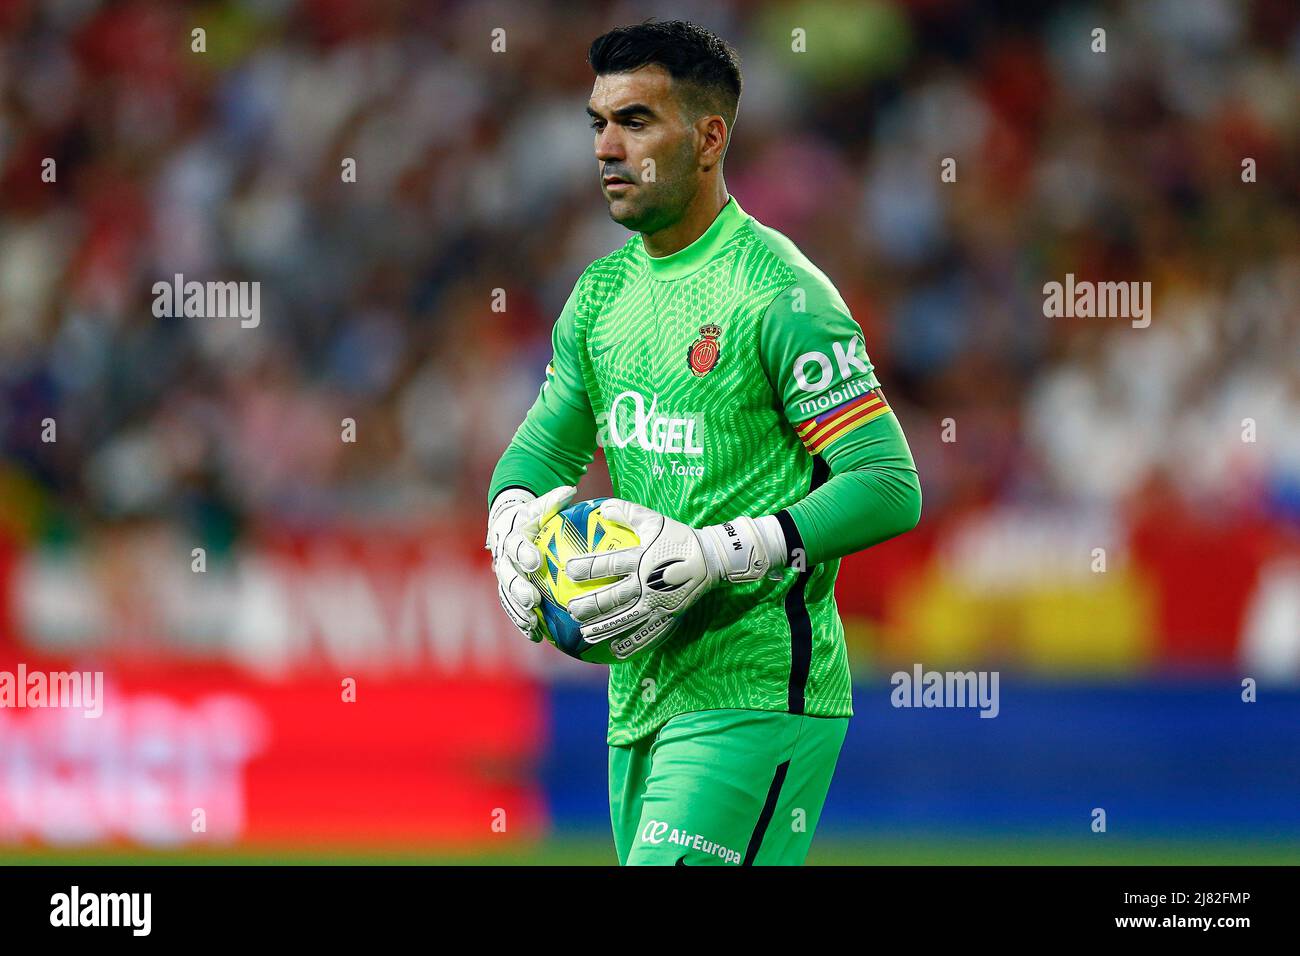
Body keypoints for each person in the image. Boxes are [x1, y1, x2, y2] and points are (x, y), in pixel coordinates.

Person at [485, 19, 921, 865]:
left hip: (756, 687)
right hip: (642, 690)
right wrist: (509, 525)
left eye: (637, 121)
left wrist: (723, 553)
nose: (607, 148)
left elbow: (887, 481)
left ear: (710, 137)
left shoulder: (782, 294)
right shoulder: (602, 293)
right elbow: (542, 452)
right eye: (597, 124)